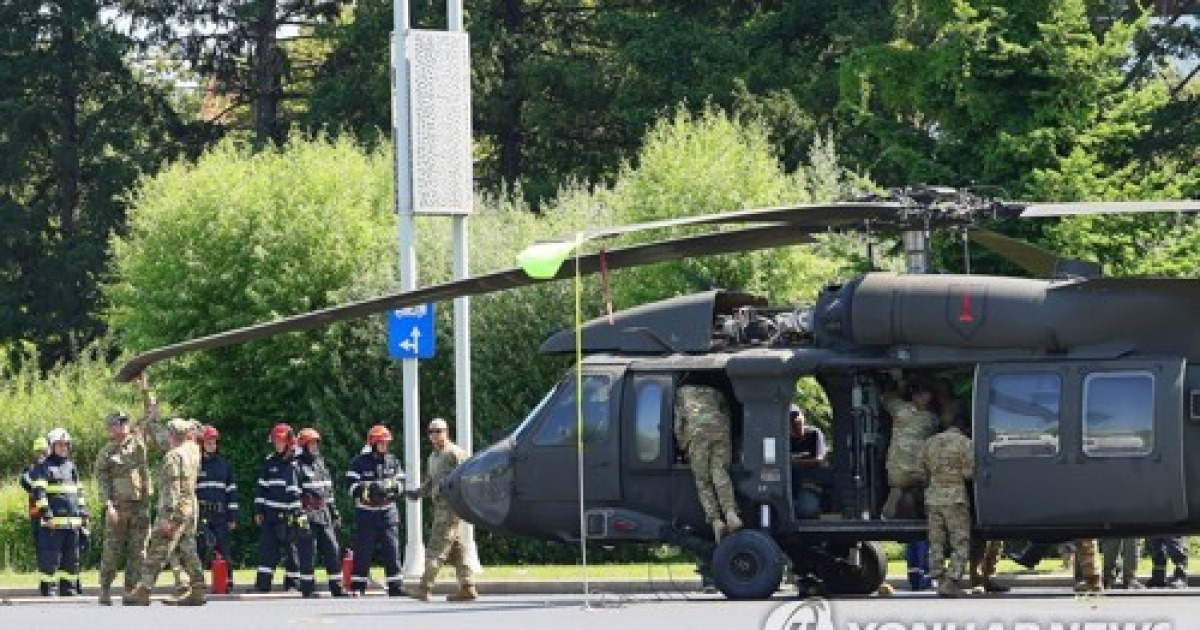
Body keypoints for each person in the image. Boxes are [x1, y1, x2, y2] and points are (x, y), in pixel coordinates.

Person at [127, 418, 207, 606]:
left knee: (157, 548)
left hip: (176, 509)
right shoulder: (193, 451)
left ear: (171, 435)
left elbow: (172, 489)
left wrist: (166, 518)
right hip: (190, 506)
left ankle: (143, 590)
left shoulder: (173, 456)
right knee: (188, 549)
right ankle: (198, 589)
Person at [93, 373, 157, 605]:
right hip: (118, 508)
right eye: (118, 423)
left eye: (124, 422)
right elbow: (101, 481)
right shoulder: (107, 452)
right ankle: (105, 589)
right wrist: (108, 505)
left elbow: (151, 414)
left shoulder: (138, 440)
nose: (123, 425)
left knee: (139, 551)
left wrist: (144, 389)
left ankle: (130, 590)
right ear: (110, 428)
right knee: (112, 550)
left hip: (140, 505)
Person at [407, 418, 476, 602]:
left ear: (446, 432)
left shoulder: (455, 453)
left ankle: (424, 587)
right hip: (440, 507)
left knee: (435, 548)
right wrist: (418, 493)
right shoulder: (433, 457)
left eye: (438, 431)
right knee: (457, 550)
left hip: (450, 508)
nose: (434, 435)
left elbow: (468, 475)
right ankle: (467, 586)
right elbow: (432, 481)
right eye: (431, 431)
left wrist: (464, 502)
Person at [674, 383, 741, 540]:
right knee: (720, 471)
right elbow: (727, 413)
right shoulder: (716, 391)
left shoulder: (682, 392)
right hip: (720, 429)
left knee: (703, 480)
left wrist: (682, 445)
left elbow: (678, 423)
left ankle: (716, 522)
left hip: (697, 433)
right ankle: (731, 514)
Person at [345, 424, 405, 596]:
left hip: (388, 512)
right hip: (367, 513)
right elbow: (350, 487)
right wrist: (369, 489)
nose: (385, 446)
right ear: (373, 443)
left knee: (392, 551)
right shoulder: (358, 463)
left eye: (387, 443)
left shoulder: (392, 461)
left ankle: (396, 586)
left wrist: (392, 487)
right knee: (363, 552)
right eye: (382, 443)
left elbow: (401, 482)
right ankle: (358, 587)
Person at [29, 428, 88, 597]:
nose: (63, 448)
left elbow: (79, 492)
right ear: (52, 446)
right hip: (52, 524)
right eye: (59, 445)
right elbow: (39, 493)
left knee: (72, 558)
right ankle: (49, 589)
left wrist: (83, 513)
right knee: (50, 558)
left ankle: (68, 588)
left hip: (72, 524)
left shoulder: (71, 467)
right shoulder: (43, 467)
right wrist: (46, 515)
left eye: (65, 445)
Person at [920, 415, 973, 598]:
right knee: (960, 541)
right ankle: (952, 580)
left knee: (936, 542)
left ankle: (939, 579)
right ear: (963, 427)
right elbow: (969, 473)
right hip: (955, 499)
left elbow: (922, 471)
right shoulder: (965, 443)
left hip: (933, 498)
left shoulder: (929, 443)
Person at [295, 428, 347, 598]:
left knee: (332, 548)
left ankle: (337, 587)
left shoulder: (320, 464)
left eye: (316, 443)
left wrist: (334, 512)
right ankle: (307, 588)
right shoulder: (296, 466)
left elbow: (328, 491)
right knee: (308, 552)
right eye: (311, 443)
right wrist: (299, 514)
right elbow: (293, 493)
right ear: (303, 445)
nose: (315, 446)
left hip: (324, 513)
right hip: (307, 513)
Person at [881, 373, 941, 519]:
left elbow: (885, 398)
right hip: (915, 470)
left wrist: (901, 383)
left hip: (903, 469)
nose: (925, 398)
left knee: (897, 495)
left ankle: (887, 522)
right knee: (913, 497)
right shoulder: (931, 418)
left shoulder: (902, 410)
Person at [252, 423, 304, 593]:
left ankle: (293, 584)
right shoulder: (269, 462)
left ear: (289, 442)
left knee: (292, 551)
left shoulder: (298, 463)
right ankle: (263, 584)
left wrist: (298, 512)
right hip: (271, 515)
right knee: (267, 550)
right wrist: (259, 510)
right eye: (275, 442)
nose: (277, 445)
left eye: (280, 441)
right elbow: (262, 487)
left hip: (291, 515)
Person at [196, 424, 237, 591]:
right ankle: (197, 584)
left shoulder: (224, 465)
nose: (211, 445)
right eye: (208, 442)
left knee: (223, 549)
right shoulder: (196, 464)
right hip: (202, 515)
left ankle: (227, 581)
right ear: (202, 443)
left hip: (220, 515)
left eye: (214, 442)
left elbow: (232, 491)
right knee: (199, 550)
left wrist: (232, 516)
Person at [20, 436, 49, 577]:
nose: (41, 455)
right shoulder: (31, 470)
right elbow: (25, 483)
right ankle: (44, 574)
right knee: (42, 547)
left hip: (50, 515)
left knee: (50, 547)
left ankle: (48, 574)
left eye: (43, 451)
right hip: (38, 515)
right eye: (39, 452)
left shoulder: (53, 468)